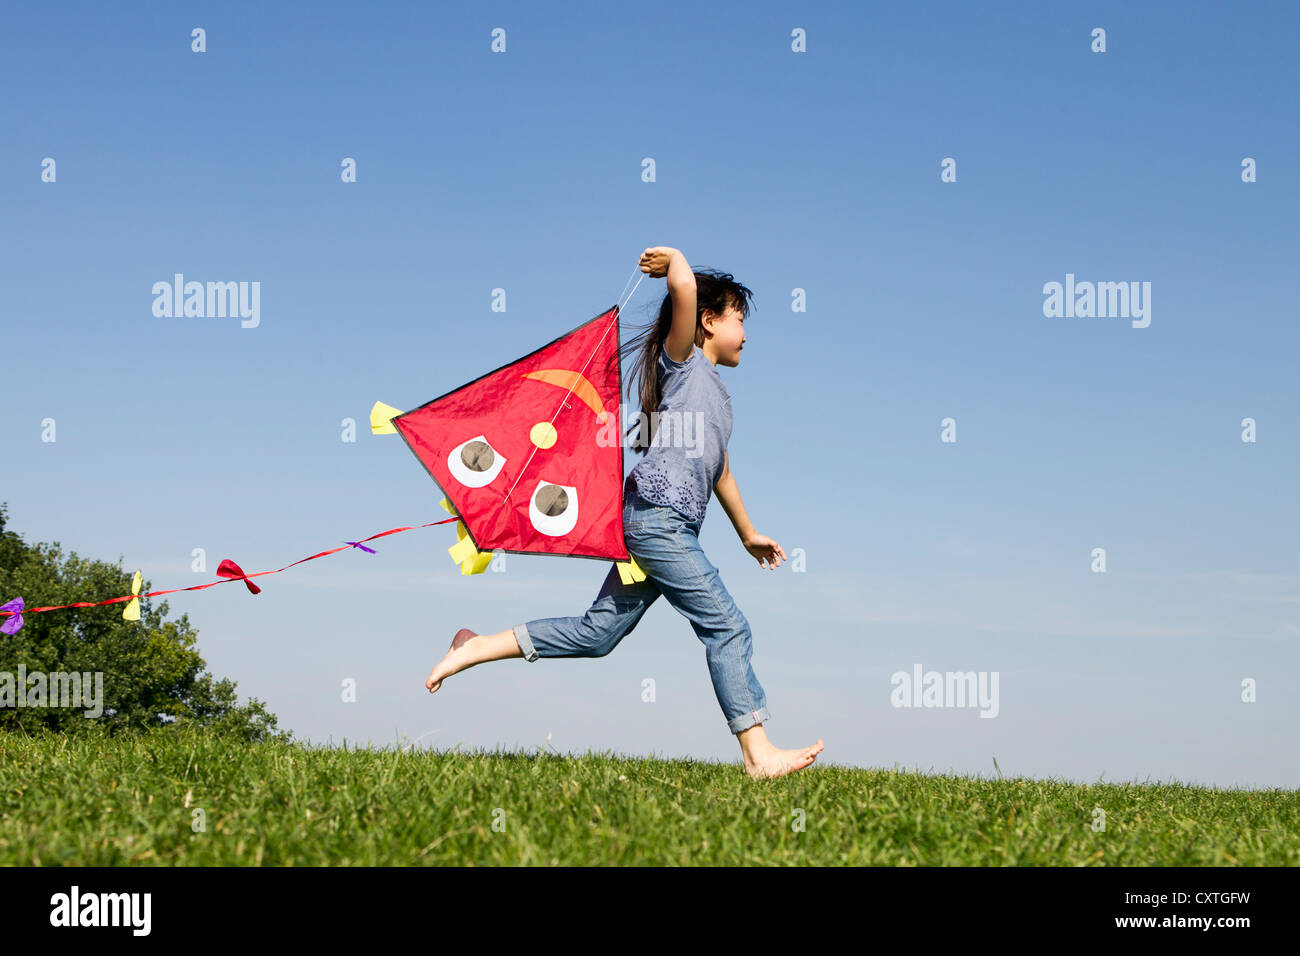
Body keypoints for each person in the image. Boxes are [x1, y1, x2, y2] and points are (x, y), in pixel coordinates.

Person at [424, 246, 824, 779]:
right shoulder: (682, 366)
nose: (746, 333)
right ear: (707, 322)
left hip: (658, 525)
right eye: (739, 319)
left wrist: (748, 532)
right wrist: (678, 261)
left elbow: (721, 472)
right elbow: (682, 289)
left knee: (598, 635)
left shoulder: (717, 400)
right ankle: (758, 754)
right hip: (657, 519)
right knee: (727, 625)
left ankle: (474, 647)